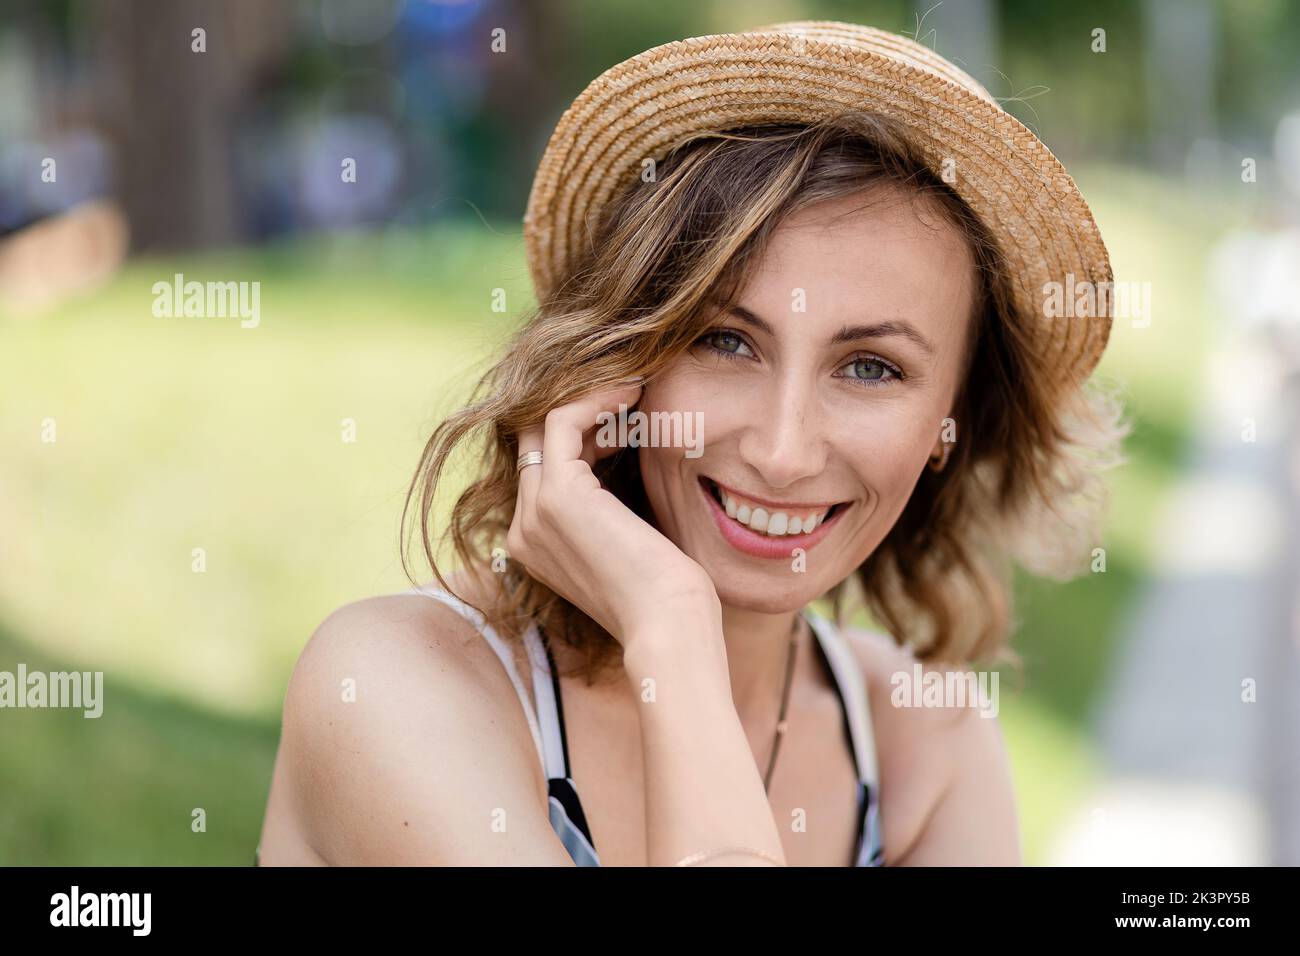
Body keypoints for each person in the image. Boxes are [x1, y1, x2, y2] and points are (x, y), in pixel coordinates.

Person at [256, 20, 1127, 866]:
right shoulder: (396, 686)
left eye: (870, 368)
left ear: (953, 422)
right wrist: (670, 629)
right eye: (725, 341)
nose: (784, 453)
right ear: (620, 357)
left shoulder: (924, 748)